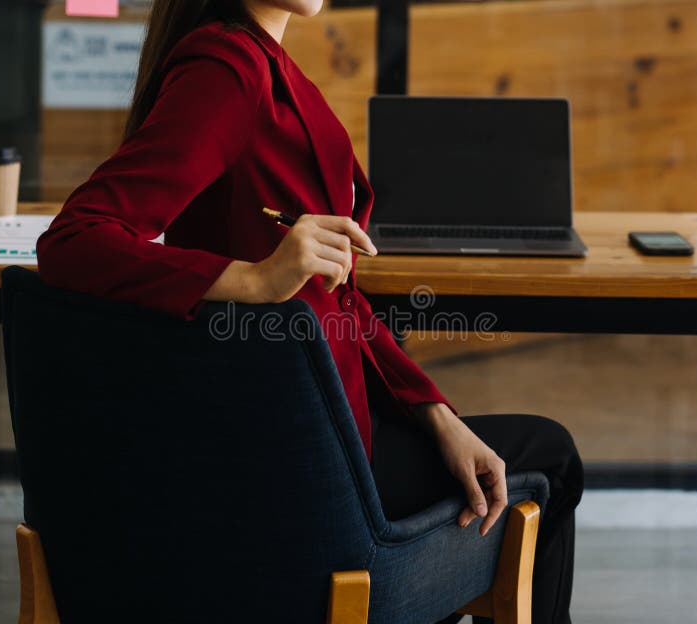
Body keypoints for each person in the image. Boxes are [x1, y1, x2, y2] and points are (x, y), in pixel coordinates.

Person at [36, 1, 583, 622]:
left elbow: (336, 294)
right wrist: (254, 277)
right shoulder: (227, 70)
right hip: (294, 459)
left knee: (500, 457)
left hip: (321, 422)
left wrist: (437, 414)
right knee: (552, 455)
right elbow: (75, 239)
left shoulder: (264, 64)